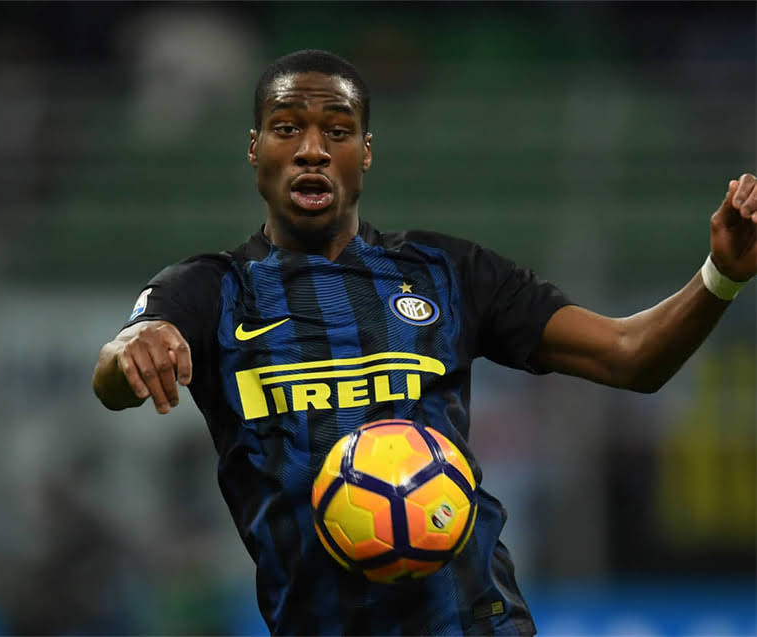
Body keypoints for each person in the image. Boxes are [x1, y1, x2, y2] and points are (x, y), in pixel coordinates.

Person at [93, 49, 756, 635]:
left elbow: (630, 355)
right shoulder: (212, 290)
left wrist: (720, 275)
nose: (312, 149)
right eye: (287, 128)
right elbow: (115, 371)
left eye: (338, 131)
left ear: (366, 152)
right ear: (254, 148)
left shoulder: (448, 272)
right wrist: (138, 344)